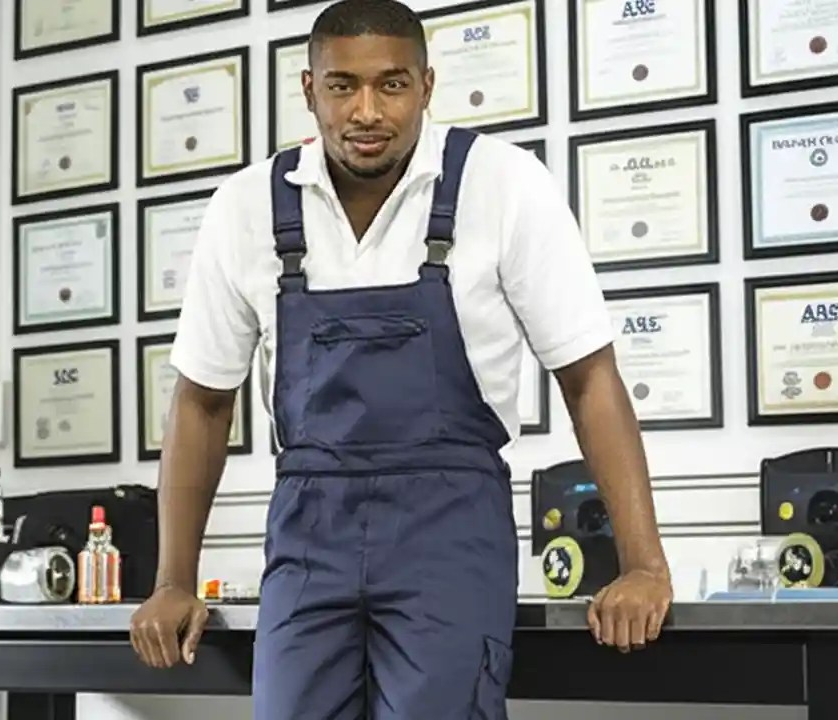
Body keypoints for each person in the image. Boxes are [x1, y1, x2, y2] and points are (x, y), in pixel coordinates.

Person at [128, 0, 674, 717]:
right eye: (342, 86)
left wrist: (644, 564)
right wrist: (173, 580)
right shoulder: (246, 207)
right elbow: (202, 400)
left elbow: (589, 377)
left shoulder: (503, 185)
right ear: (309, 90)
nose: (366, 111)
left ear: (426, 85)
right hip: (308, 534)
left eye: (391, 85)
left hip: (449, 533)